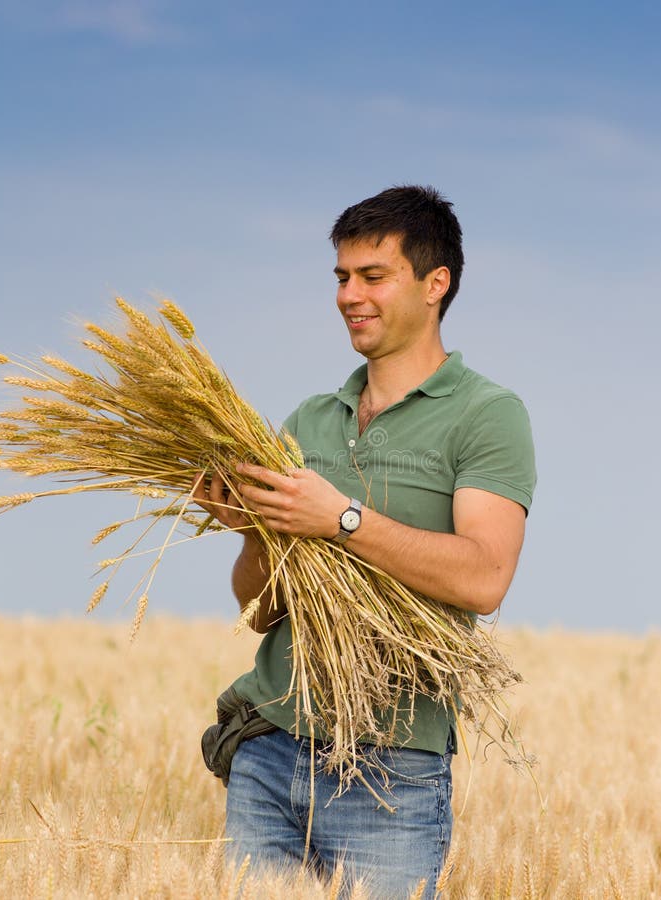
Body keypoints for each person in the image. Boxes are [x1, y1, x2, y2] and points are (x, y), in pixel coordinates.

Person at [193, 185, 536, 898]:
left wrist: (340, 520)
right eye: (342, 277)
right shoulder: (310, 419)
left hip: (389, 770)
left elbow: (484, 577)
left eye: (373, 276)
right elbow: (261, 611)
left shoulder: (487, 414)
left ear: (435, 284)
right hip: (269, 746)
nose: (349, 295)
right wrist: (253, 533)